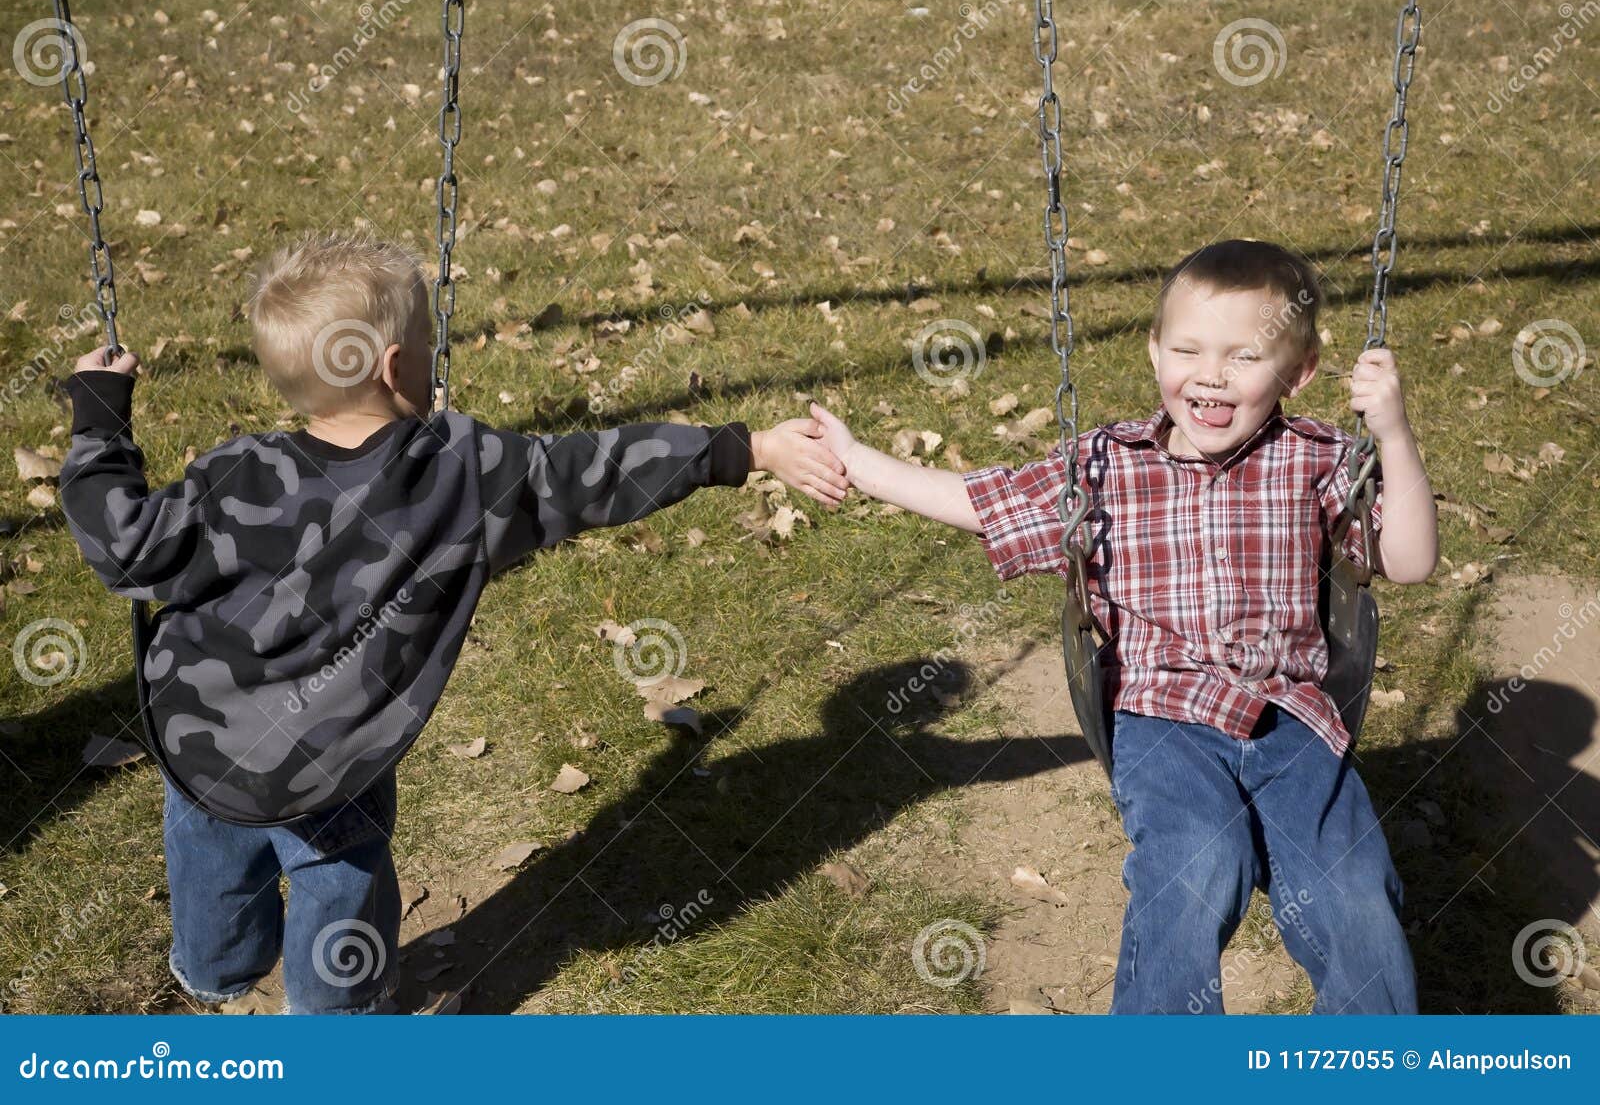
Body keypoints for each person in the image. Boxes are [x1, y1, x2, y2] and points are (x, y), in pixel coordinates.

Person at [58, 234, 847, 1013]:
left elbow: (122, 545)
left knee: (212, 868)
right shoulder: (460, 473)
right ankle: (333, 1018)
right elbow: (592, 473)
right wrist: (746, 448)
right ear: (395, 366)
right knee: (339, 887)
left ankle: (217, 974)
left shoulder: (234, 475)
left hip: (206, 748)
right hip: (338, 765)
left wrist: (99, 419)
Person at [810, 239, 1436, 1013]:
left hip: (1294, 719)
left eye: (1244, 356)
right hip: (1164, 716)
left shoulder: (1317, 458)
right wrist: (858, 461)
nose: (1210, 374)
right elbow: (980, 500)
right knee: (1199, 862)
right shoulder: (1107, 465)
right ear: (1153, 350)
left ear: (1299, 371)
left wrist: (1394, 435)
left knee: (1353, 888)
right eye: (1187, 350)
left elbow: (1409, 560)